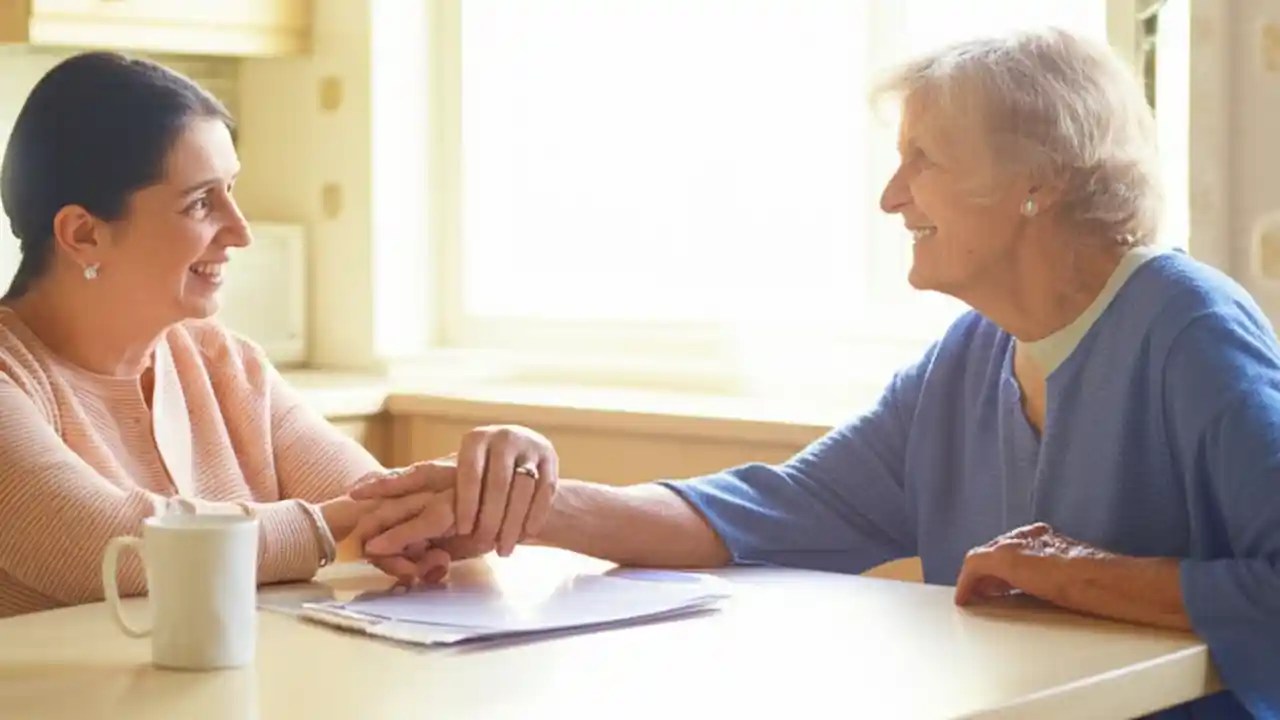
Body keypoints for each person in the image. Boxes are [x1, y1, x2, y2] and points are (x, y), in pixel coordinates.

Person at [352, 29, 1278, 718]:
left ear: (1037, 182)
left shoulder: (1185, 328)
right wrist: (521, 504)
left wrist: (1080, 576)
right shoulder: (970, 357)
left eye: (924, 160)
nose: (891, 195)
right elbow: (765, 511)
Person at [0, 52, 558, 618]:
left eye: (232, 190)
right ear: (83, 233)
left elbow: (380, 502)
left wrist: (487, 482)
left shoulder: (224, 363)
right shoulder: (11, 378)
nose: (240, 231)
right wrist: (338, 524)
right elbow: (114, 548)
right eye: (200, 202)